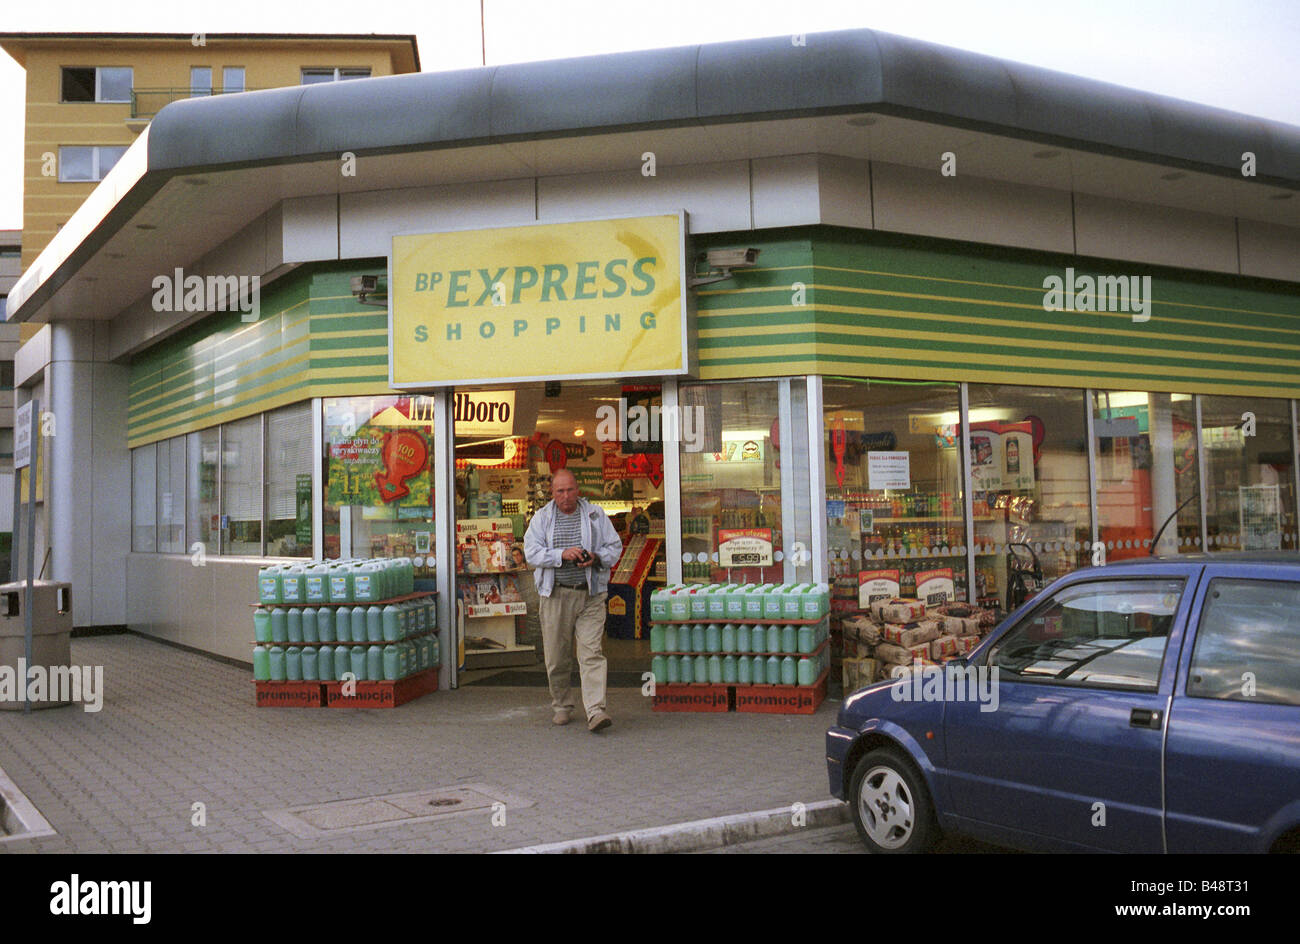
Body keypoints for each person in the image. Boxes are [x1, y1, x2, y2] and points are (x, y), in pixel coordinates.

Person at [523, 468, 623, 732]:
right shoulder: (541, 518)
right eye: (560, 491)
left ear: (578, 490)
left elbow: (615, 546)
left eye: (570, 490)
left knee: (591, 653)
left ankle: (595, 710)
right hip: (555, 594)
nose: (566, 496)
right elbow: (531, 553)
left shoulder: (595, 515)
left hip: (589, 594)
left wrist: (597, 557)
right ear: (552, 493)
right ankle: (562, 704)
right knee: (556, 657)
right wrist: (561, 555)